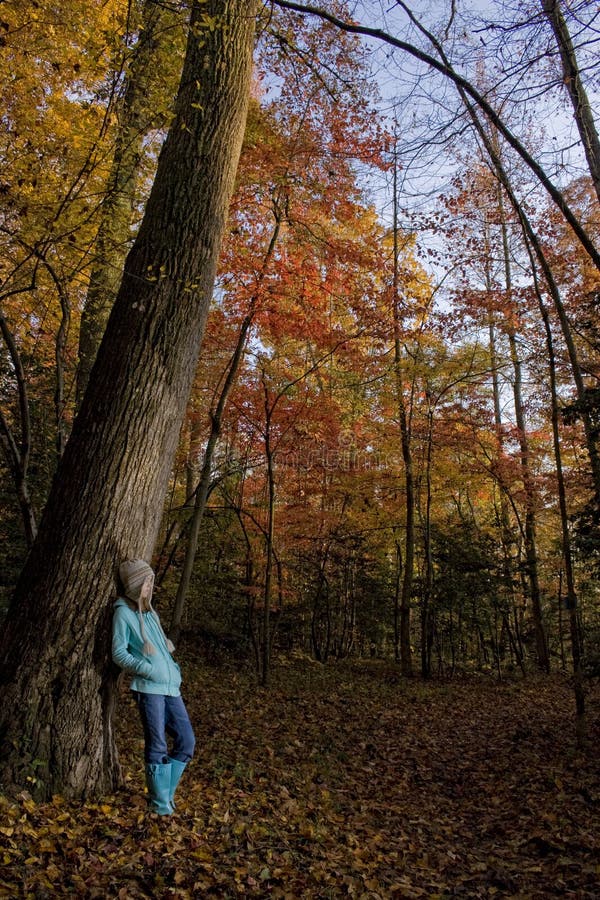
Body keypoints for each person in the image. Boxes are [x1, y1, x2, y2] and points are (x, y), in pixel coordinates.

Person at [112, 559, 195, 815]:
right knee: (157, 745)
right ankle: (161, 805)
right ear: (135, 585)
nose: (150, 586)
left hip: (171, 688)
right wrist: (147, 669)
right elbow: (118, 653)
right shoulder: (123, 613)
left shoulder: (151, 613)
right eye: (146, 582)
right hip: (149, 688)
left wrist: (171, 668)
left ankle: (166, 796)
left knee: (186, 741)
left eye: (151, 581)